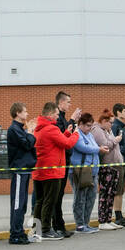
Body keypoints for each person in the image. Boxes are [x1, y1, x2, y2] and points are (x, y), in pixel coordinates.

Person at [32, 101, 80, 241]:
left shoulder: (40, 128)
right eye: (57, 114)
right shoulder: (50, 129)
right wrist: (75, 134)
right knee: (49, 201)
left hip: (40, 170)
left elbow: (55, 142)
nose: (58, 117)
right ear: (50, 114)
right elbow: (67, 144)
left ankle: (38, 229)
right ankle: (46, 229)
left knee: (40, 201)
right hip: (52, 171)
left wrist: (66, 133)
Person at [5, 103, 36, 244]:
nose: (27, 114)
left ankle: (19, 231)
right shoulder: (14, 130)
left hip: (25, 169)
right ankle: (15, 234)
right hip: (19, 169)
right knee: (18, 202)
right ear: (18, 113)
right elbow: (27, 144)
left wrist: (28, 132)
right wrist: (30, 132)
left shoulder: (19, 129)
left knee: (22, 203)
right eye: (25, 111)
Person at [69, 112, 103, 232]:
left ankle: (86, 223)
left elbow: (93, 148)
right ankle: (80, 224)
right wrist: (99, 149)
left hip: (92, 171)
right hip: (80, 171)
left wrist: (97, 150)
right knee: (80, 198)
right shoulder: (77, 134)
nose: (89, 128)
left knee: (91, 197)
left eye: (91, 126)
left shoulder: (90, 135)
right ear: (81, 124)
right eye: (88, 125)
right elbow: (84, 148)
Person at [93, 113, 125, 230]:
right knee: (105, 194)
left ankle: (108, 219)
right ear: (103, 121)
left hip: (114, 165)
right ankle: (102, 220)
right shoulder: (98, 130)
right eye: (110, 122)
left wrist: (114, 140)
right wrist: (115, 140)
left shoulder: (108, 131)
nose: (112, 125)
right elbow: (105, 146)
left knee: (111, 193)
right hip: (106, 166)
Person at [53, 91, 75, 237]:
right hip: (58, 162)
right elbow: (63, 138)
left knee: (59, 195)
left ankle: (59, 225)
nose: (69, 104)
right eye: (67, 102)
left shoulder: (62, 118)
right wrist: (72, 120)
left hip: (64, 160)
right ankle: (57, 226)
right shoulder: (59, 120)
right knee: (56, 195)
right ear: (60, 103)